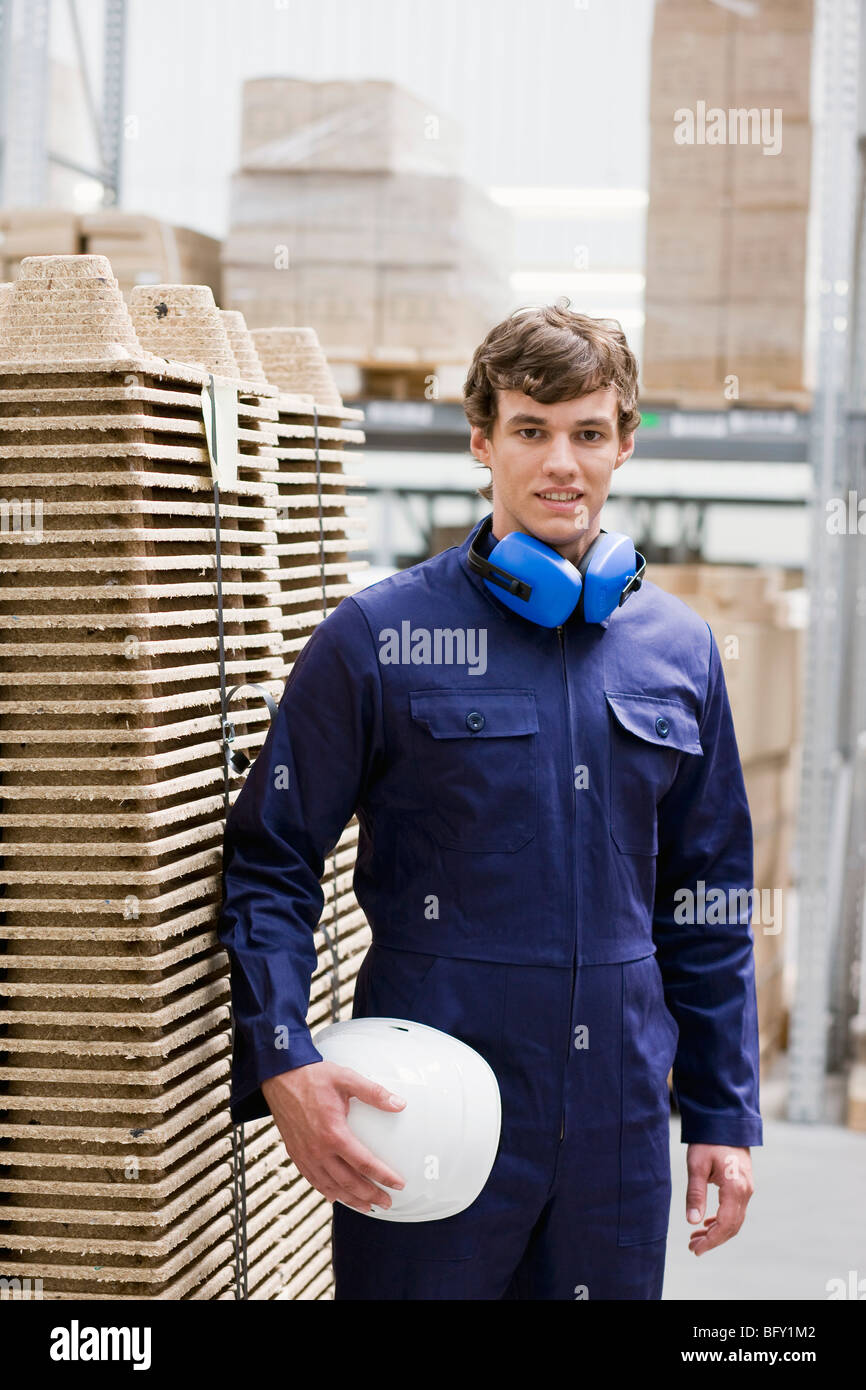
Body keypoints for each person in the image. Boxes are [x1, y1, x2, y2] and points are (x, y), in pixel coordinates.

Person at [217, 304, 762, 1300]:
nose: (562, 462)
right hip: (426, 1103)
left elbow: (709, 897)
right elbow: (271, 859)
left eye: (587, 433)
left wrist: (723, 1114)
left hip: (617, 1125)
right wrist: (281, 1056)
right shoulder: (377, 636)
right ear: (481, 440)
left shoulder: (678, 651)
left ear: (623, 443)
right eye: (530, 429)